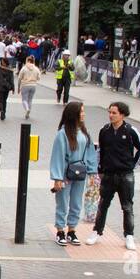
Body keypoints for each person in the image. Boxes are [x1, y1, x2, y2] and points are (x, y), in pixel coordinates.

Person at [85, 101, 140, 251]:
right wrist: (100, 168)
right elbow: (100, 151)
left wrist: (133, 165)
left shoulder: (131, 131)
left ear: (122, 115)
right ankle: (97, 231)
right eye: (110, 112)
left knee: (127, 206)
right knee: (103, 204)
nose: (111, 115)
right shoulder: (104, 130)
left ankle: (129, 235)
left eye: (114, 113)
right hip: (108, 174)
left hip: (125, 174)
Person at [49, 100, 97, 246]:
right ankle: (60, 231)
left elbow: (90, 152)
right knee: (62, 202)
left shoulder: (83, 132)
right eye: (81, 111)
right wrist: (57, 177)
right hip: (65, 174)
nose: (83, 114)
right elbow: (58, 155)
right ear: (73, 114)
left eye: (83, 111)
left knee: (76, 202)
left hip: (80, 173)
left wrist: (92, 170)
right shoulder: (62, 134)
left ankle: (71, 230)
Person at [0, 57, 15, 121]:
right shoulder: (10, 70)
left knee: (0, 100)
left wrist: (0, 79)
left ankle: (1, 111)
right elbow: (12, 80)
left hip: (0, 86)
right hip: (7, 87)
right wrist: (13, 88)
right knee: (4, 100)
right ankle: (4, 111)